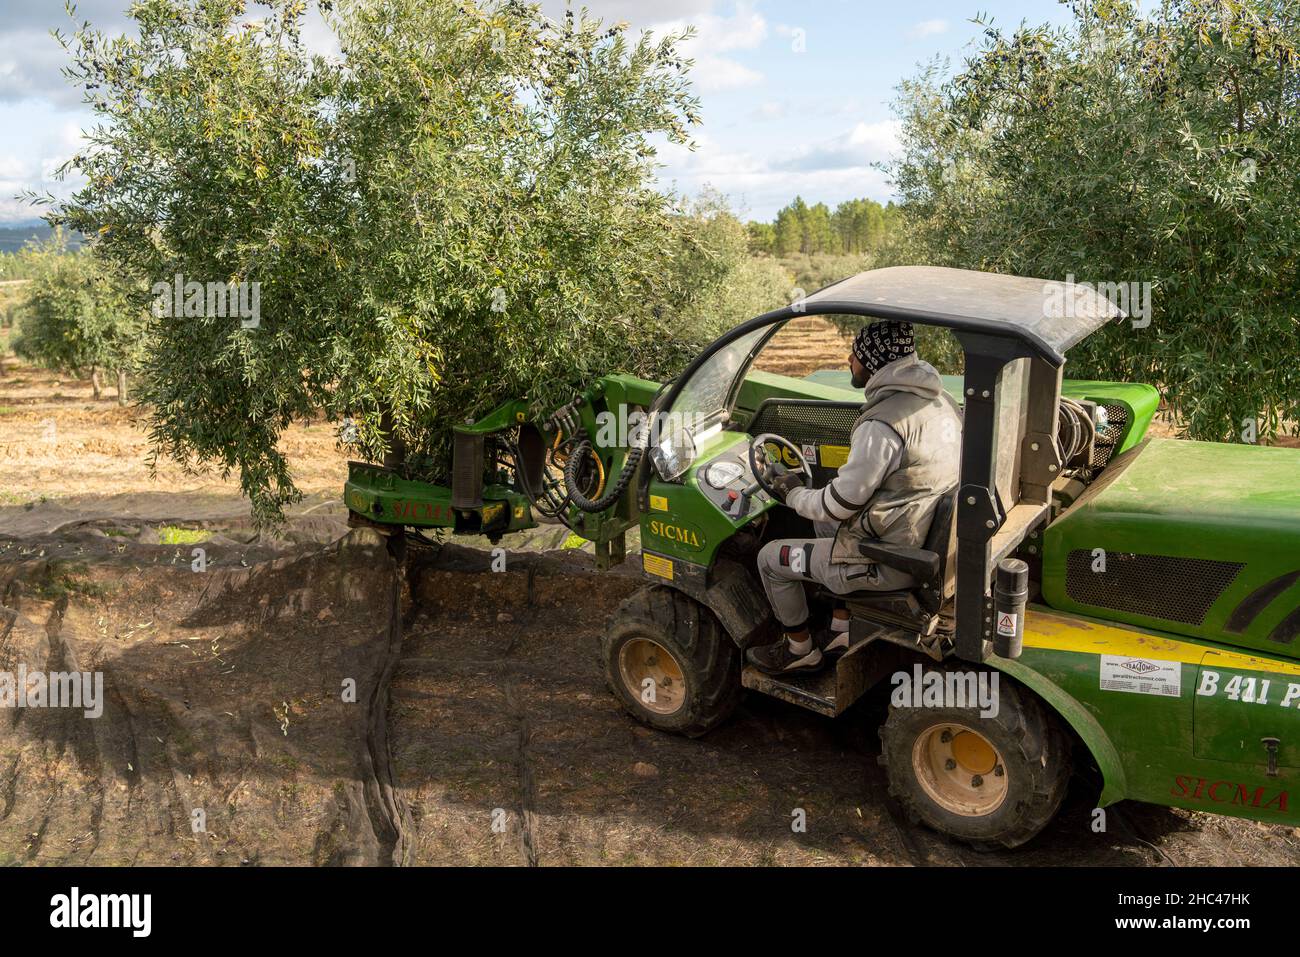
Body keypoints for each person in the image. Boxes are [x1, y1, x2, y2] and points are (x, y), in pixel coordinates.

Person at [746, 319, 962, 676]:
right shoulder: (942, 402)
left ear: (873, 362)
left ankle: (799, 649)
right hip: (918, 536)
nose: (849, 359)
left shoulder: (881, 426)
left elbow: (840, 503)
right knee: (821, 521)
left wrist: (793, 493)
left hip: (885, 559)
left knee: (771, 557)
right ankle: (842, 629)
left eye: (856, 354)